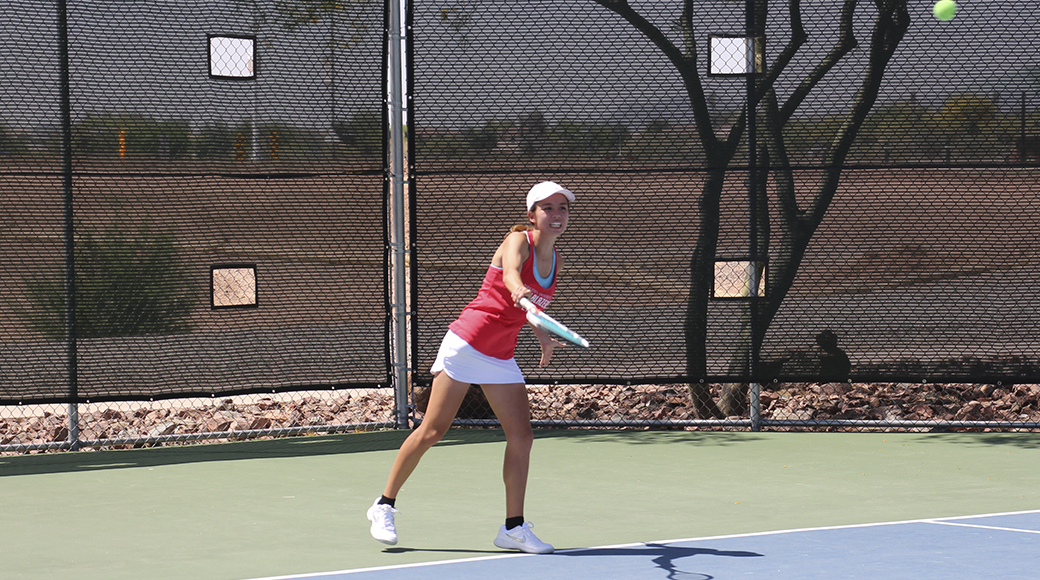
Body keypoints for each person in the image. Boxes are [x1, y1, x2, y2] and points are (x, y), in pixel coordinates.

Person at [366, 181, 575, 555]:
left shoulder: (555, 259)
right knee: (432, 430)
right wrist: (520, 290)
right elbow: (511, 276)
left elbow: (526, 311)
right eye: (548, 208)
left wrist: (542, 334)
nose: (556, 215)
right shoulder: (519, 242)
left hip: (500, 354)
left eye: (563, 208)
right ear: (532, 215)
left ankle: (513, 528)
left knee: (522, 437)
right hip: (467, 343)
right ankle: (383, 506)